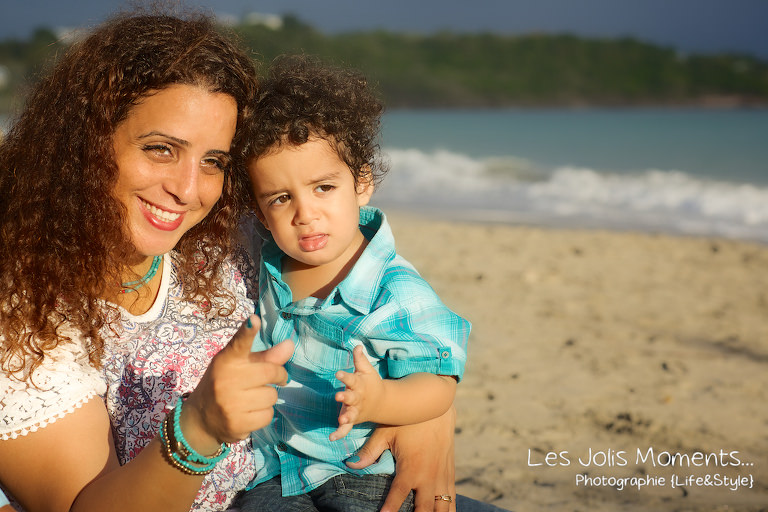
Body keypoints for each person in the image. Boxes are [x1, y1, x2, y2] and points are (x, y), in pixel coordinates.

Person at [0, 10, 505, 512]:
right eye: (160, 149)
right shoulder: (22, 323)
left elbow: (380, 309)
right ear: (81, 142)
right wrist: (197, 428)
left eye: (214, 162)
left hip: (339, 480)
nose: (188, 191)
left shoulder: (226, 235)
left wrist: (422, 417)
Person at [236, 55, 470, 512]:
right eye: (281, 198)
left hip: (362, 467)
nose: (305, 213)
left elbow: (440, 382)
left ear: (362, 183)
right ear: (260, 212)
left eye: (324, 188)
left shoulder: (395, 289)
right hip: (276, 470)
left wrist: (383, 396)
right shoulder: (266, 267)